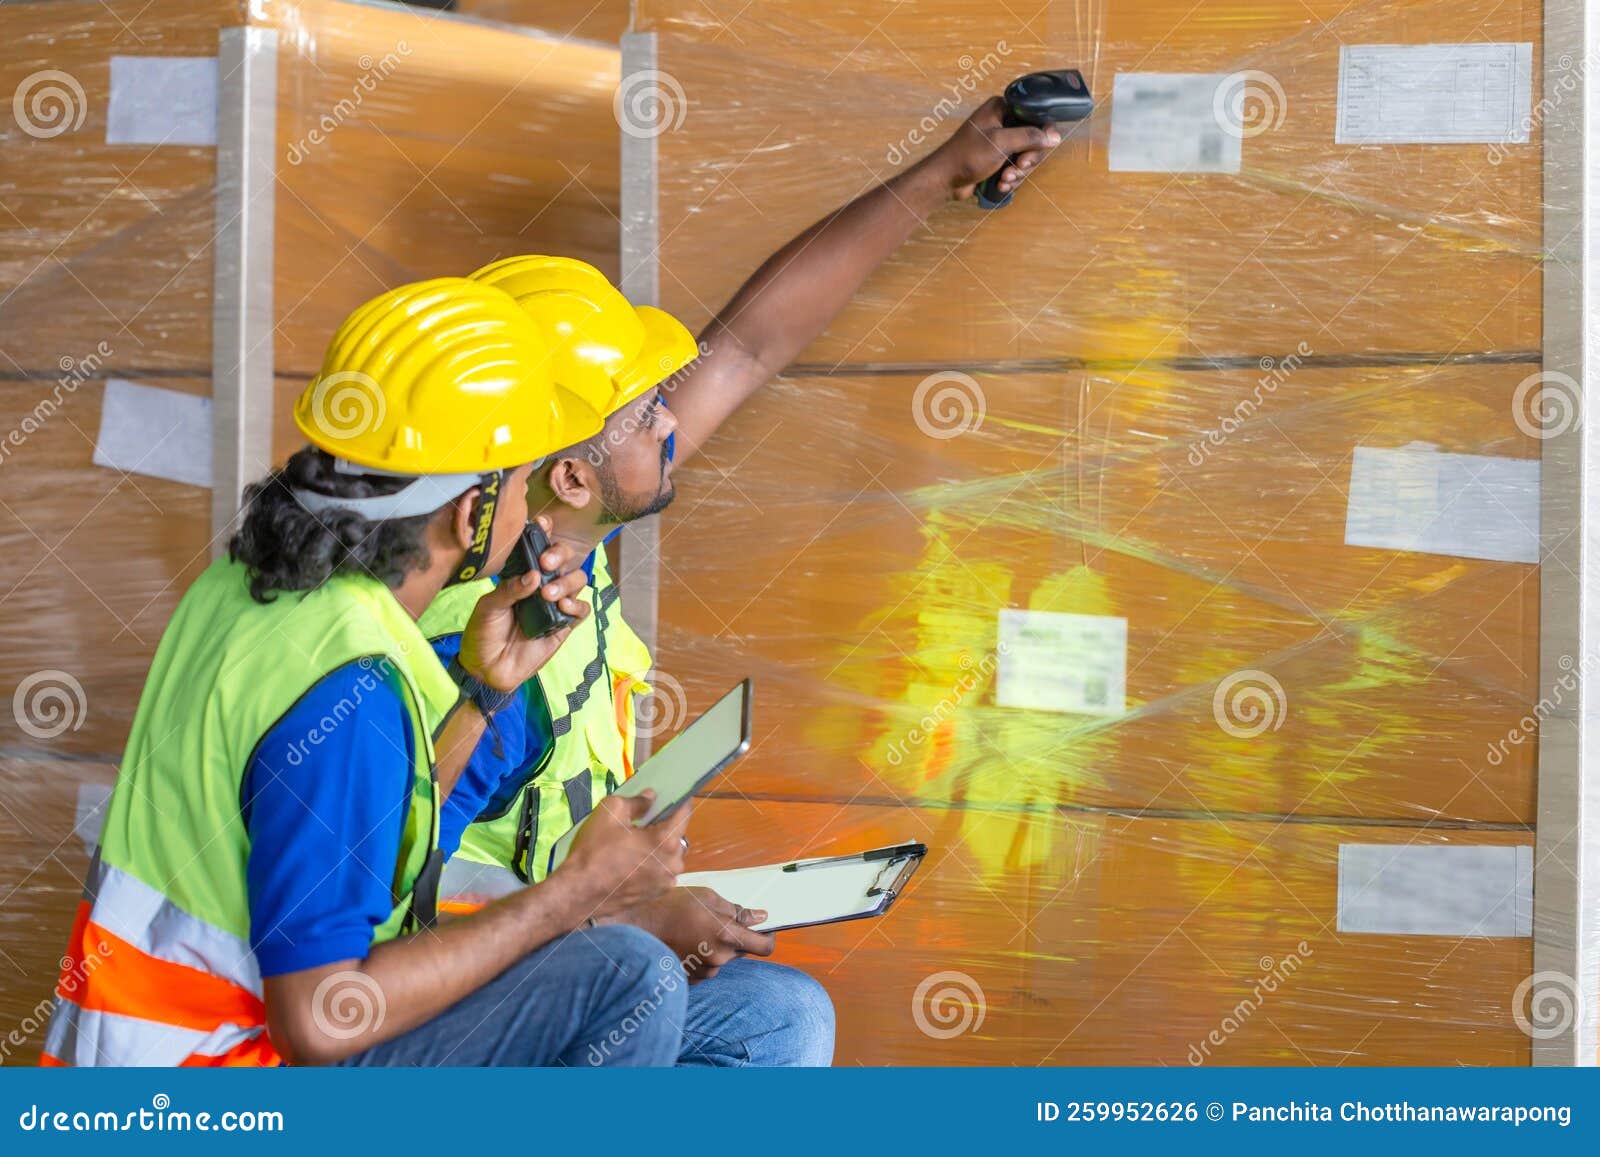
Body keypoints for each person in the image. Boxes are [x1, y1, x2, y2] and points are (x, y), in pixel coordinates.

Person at [418, 98, 1064, 1063]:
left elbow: (750, 347)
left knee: (782, 1014)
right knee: (642, 985)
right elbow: (407, 902)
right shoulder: (463, 643)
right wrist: (630, 923)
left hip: (567, 923)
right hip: (473, 973)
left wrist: (943, 172)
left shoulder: (562, 541)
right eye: (647, 414)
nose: (675, 418)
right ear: (572, 474)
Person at [42, 278, 696, 1068]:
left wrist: (484, 693)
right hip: (225, 1073)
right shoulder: (352, 688)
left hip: (136, 1048)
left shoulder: (256, 585)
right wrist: (570, 898)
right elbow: (318, 1022)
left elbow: (369, 860)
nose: (531, 508)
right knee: (630, 980)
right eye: (524, 482)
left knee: (746, 1007)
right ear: (471, 513)